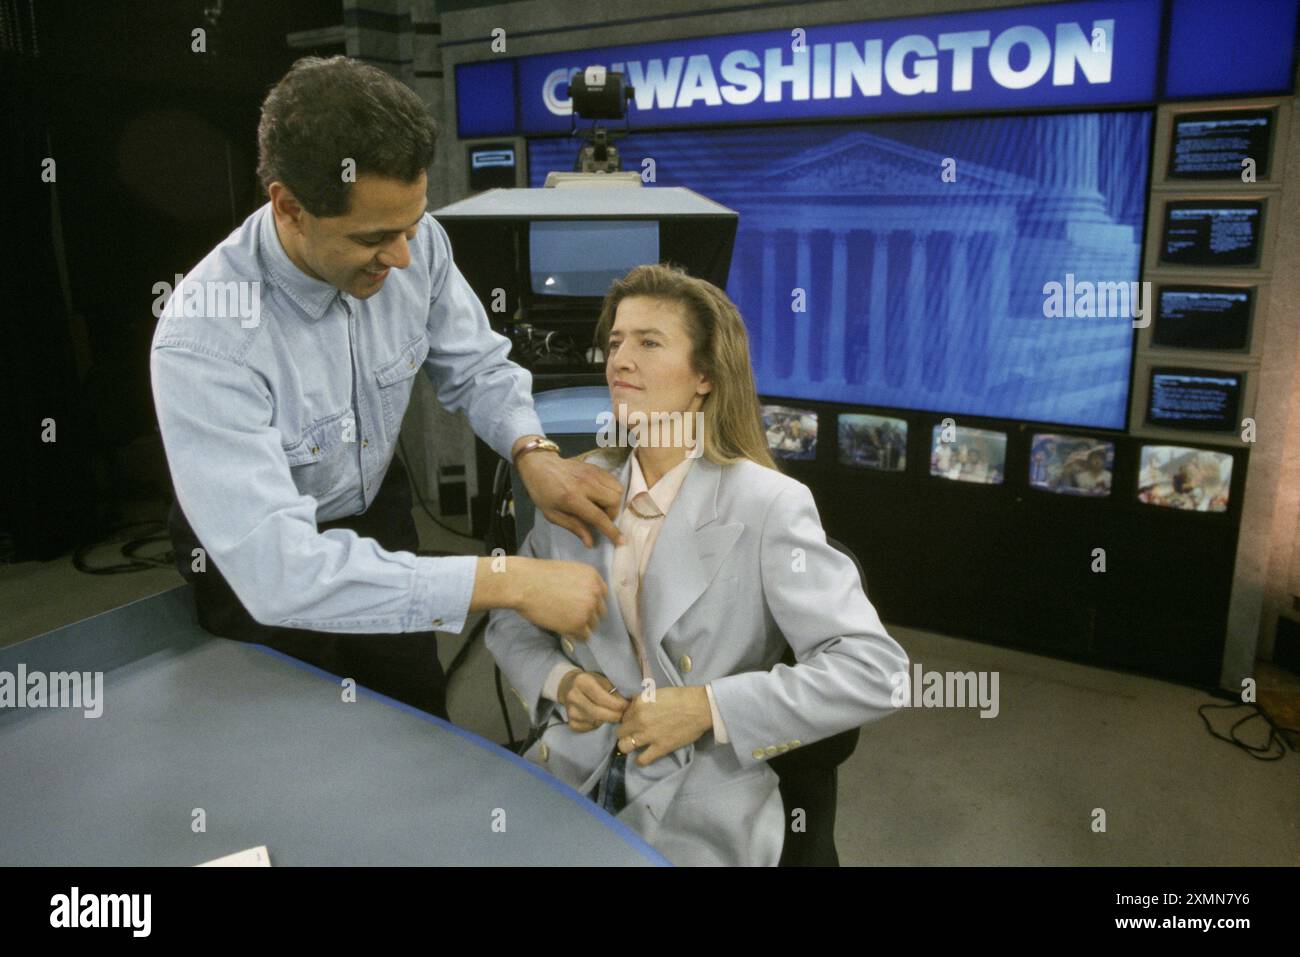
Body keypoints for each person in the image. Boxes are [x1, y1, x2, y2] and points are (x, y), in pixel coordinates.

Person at [151, 56, 624, 719]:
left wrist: (531, 450)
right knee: (297, 743)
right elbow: (281, 575)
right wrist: (507, 580)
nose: (402, 256)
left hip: (374, 513)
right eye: (374, 237)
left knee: (413, 717)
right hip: (257, 563)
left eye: (410, 226)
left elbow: (477, 366)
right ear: (288, 206)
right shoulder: (206, 339)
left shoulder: (414, 241)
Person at [485, 263, 909, 866]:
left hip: (695, 803)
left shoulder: (767, 505)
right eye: (615, 343)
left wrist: (709, 706)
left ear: (705, 376)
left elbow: (876, 672)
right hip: (572, 769)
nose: (618, 361)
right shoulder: (577, 486)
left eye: (648, 343)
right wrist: (561, 683)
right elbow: (510, 620)